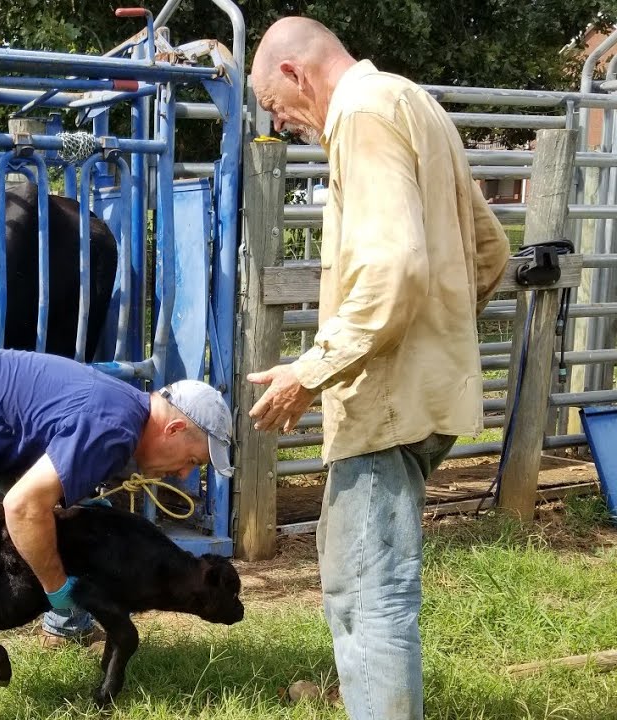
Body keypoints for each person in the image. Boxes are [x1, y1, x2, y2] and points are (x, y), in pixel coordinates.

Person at [246, 17, 511, 720]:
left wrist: (312, 369)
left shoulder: (362, 115)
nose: (283, 122)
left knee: (368, 597)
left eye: (276, 105)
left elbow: (394, 266)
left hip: (385, 404)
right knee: (362, 576)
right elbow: (488, 251)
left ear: (297, 73)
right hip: (423, 394)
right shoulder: (412, 101)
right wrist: (437, 334)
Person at [0, 346, 233, 720]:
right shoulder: (114, 428)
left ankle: (65, 628)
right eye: (192, 461)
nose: (183, 474)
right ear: (175, 429)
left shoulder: (126, 418)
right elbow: (22, 507)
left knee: (86, 515)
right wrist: (58, 586)